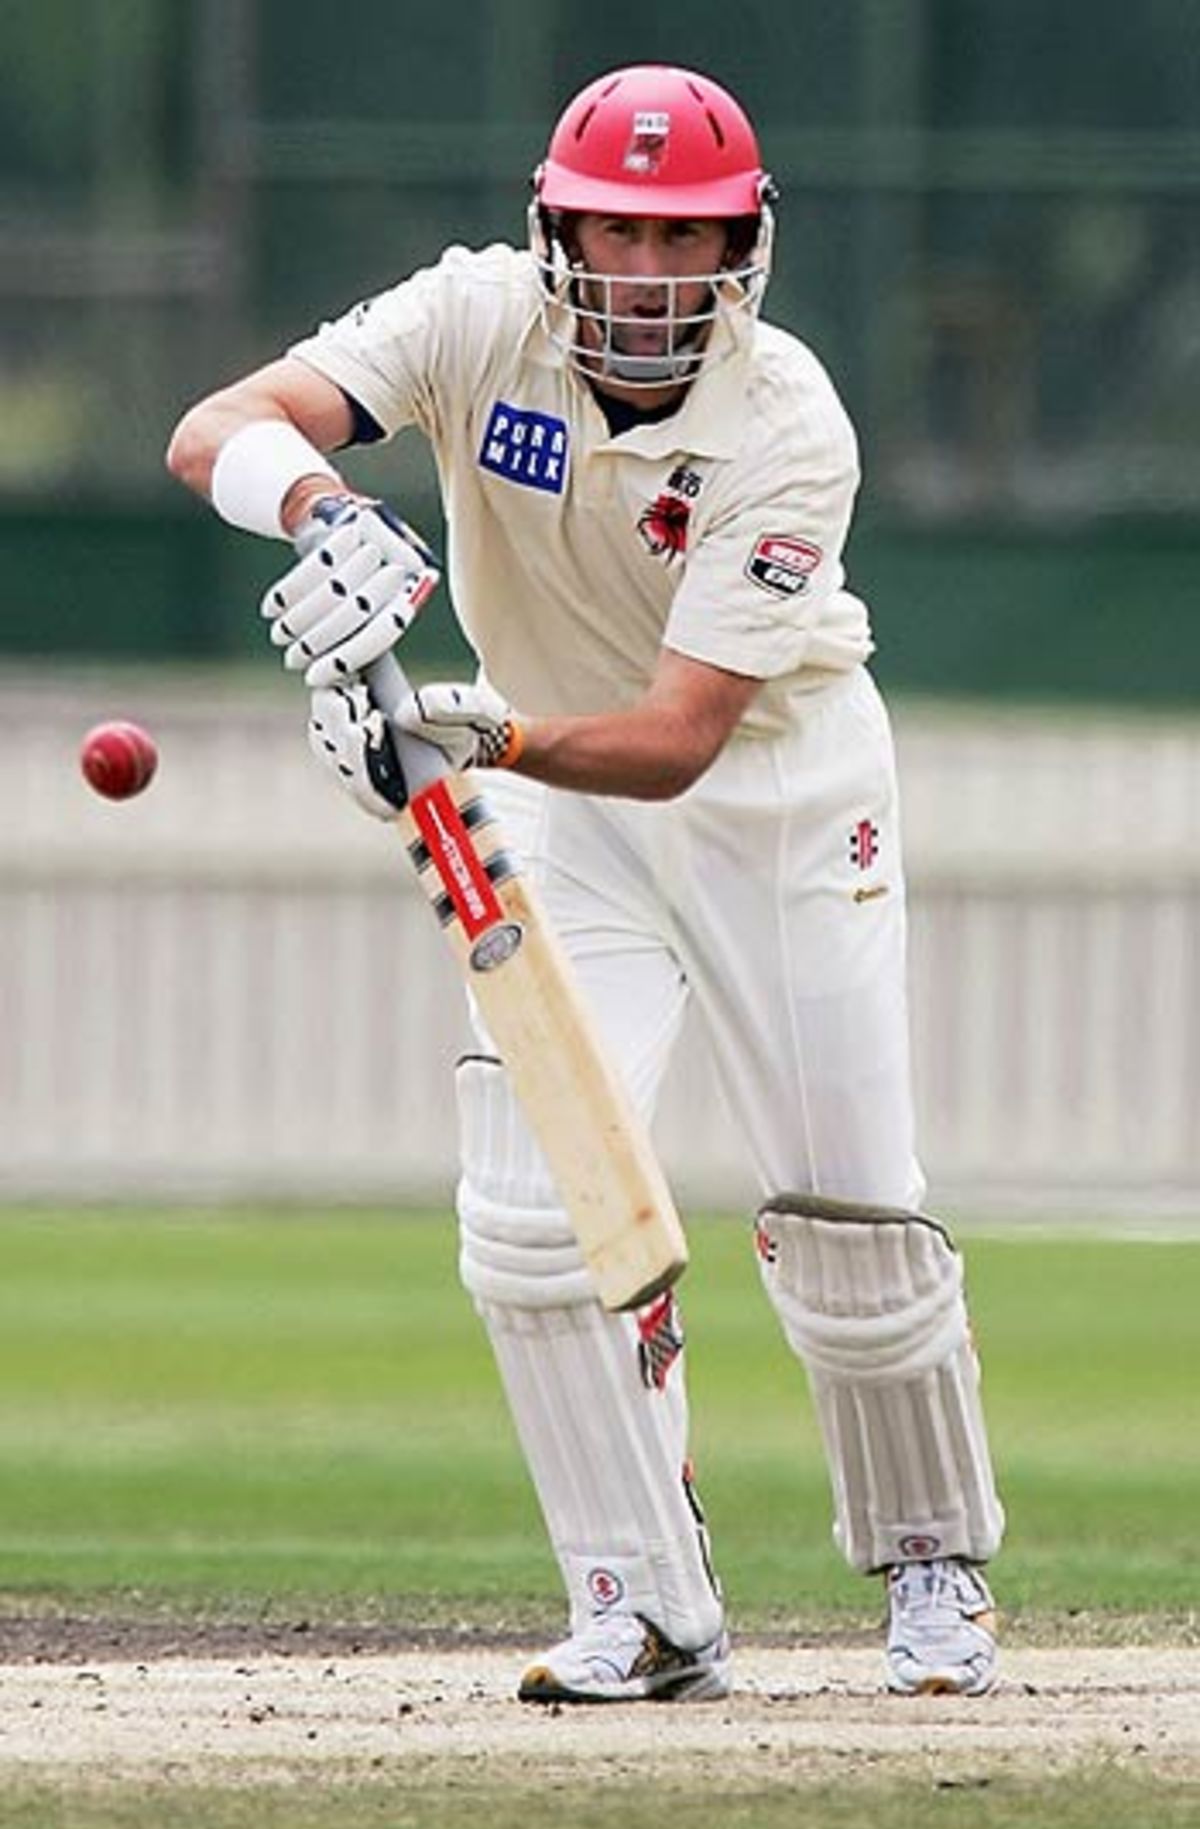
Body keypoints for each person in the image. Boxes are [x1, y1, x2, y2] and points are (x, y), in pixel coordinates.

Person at [166, 63, 1005, 1702]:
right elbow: (218, 429)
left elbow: (683, 738)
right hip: (563, 799)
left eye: (682, 238)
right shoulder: (475, 318)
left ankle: (932, 1573)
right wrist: (327, 512)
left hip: (778, 788)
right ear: (559, 228)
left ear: (739, 249)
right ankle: (643, 1600)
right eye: (616, 230)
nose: (645, 271)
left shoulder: (788, 421)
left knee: (847, 1210)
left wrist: (468, 738)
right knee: (529, 1217)